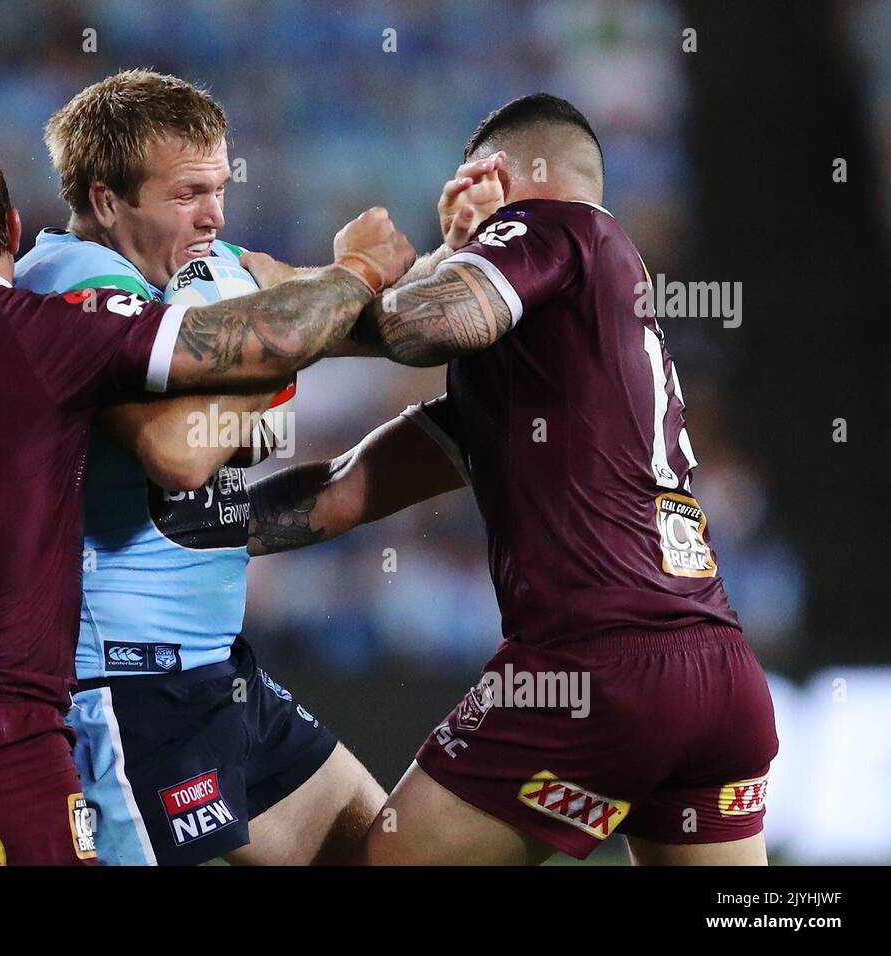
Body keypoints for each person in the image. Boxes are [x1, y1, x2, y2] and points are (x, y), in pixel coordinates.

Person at [0, 125, 414, 865]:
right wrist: (355, 267)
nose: (211, 213)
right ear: (12, 228)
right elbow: (236, 367)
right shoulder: (35, 329)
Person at [247, 93, 779, 866]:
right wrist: (184, 523)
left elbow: (419, 325)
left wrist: (351, 276)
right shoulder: (554, 374)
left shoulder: (558, 223)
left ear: (491, 174)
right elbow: (338, 494)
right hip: (720, 678)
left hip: (594, 668)